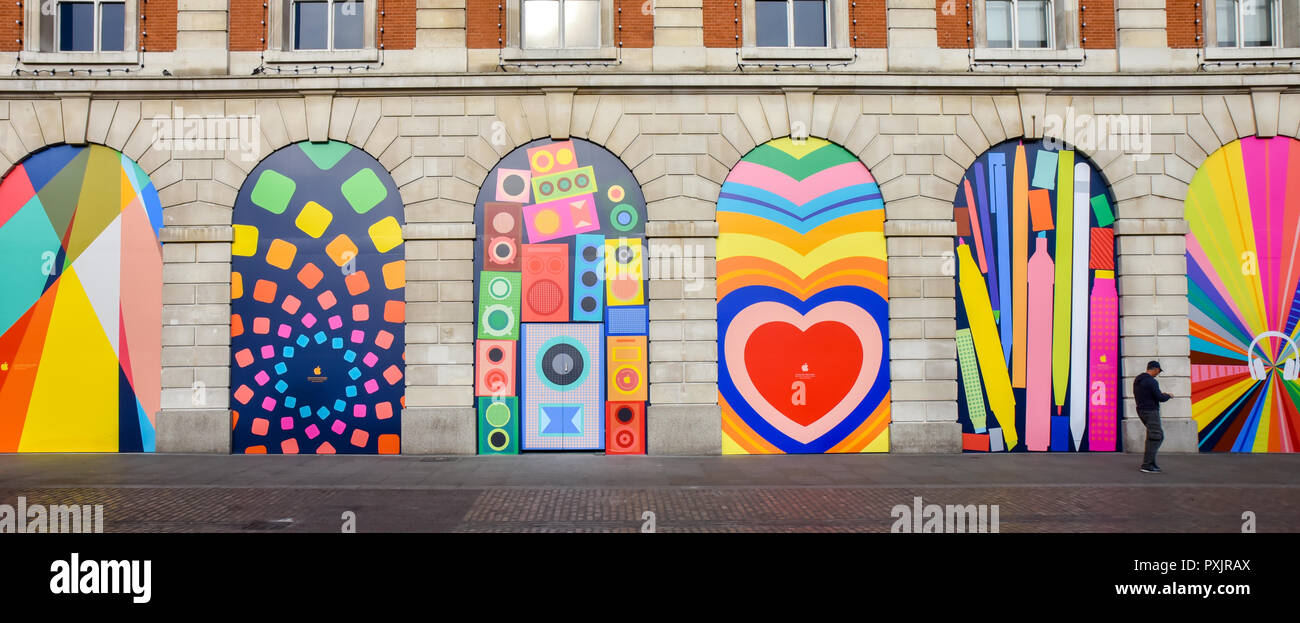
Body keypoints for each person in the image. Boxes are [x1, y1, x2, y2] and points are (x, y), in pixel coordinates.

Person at [1132, 360, 1172, 473]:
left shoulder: (1138, 379)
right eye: (1158, 371)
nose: (1158, 373)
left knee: (1152, 436)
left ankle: (1151, 463)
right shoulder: (1151, 381)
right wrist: (1168, 395)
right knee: (1156, 436)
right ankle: (1147, 464)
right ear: (1155, 369)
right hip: (1151, 411)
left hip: (1141, 410)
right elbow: (1160, 397)